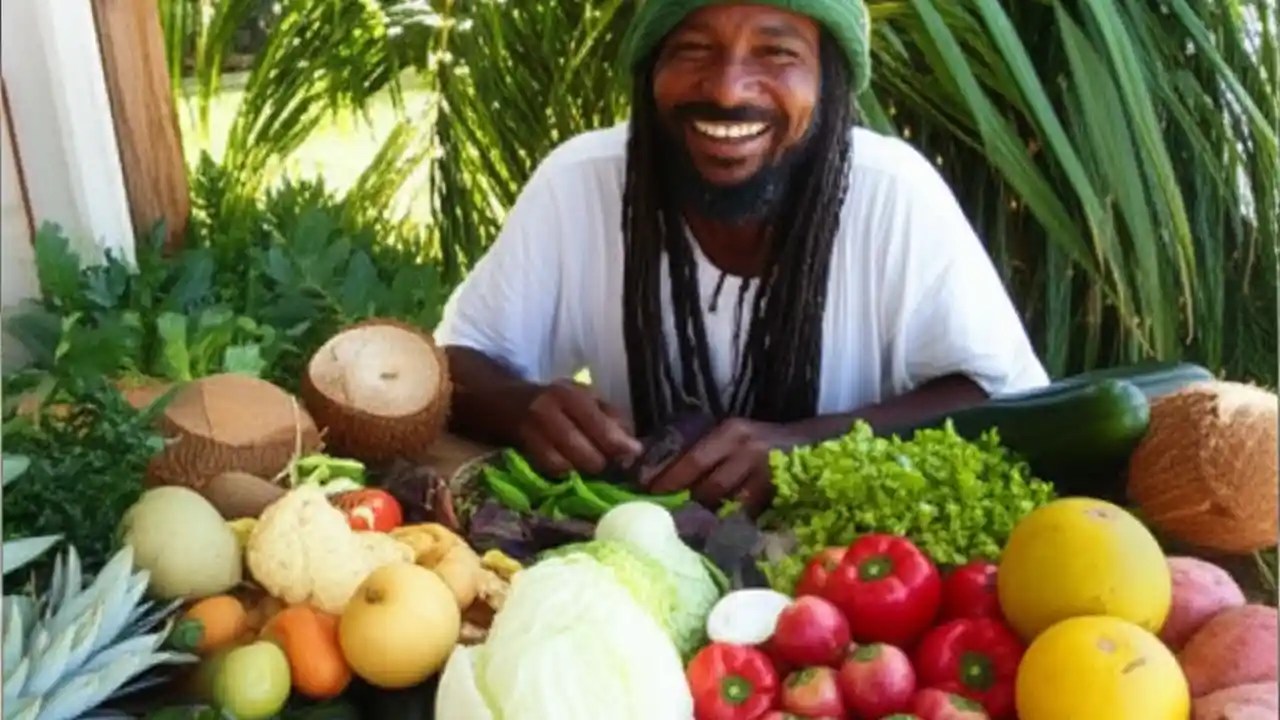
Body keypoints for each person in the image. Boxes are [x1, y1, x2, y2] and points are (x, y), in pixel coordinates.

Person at [434, 0, 1049, 514]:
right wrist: (523, 410)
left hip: (855, 588)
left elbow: (1001, 401)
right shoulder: (581, 184)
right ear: (650, 74)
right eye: (694, 50)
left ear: (829, 82)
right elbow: (451, 365)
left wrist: (814, 446)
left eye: (777, 53)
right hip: (635, 566)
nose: (728, 89)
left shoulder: (892, 195)